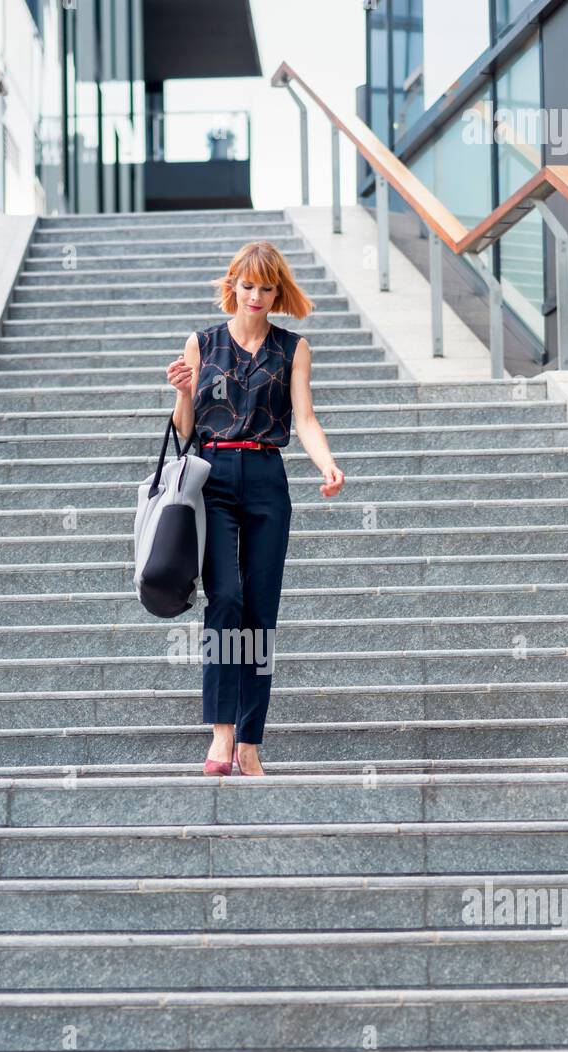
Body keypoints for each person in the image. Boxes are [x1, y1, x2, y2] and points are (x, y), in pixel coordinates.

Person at [167, 240, 345, 777]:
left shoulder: (294, 348)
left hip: (268, 477)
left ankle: (250, 741)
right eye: (248, 286)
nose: (256, 295)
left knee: (261, 612)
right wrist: (181, 392)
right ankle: (221, 736)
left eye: (266, 287)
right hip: (213, 476)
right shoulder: (203, 343)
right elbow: (185, 430)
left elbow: (306, 420)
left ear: (277, 291)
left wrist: (327, 464)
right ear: (234, 286)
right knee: (225, 599)